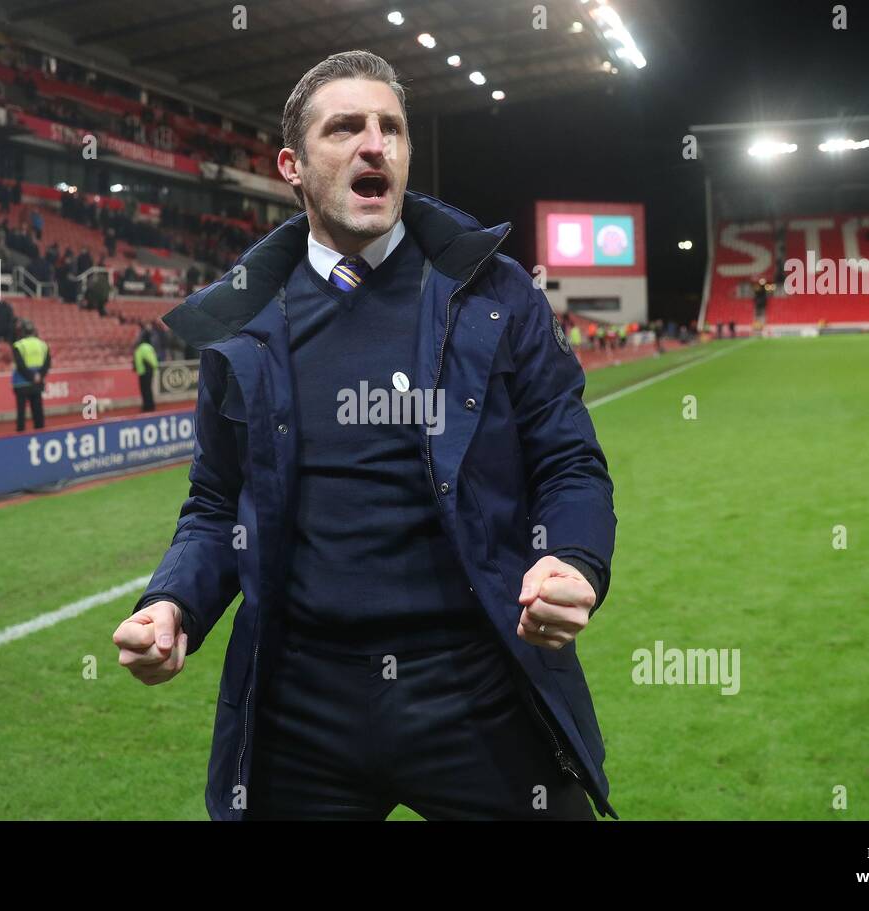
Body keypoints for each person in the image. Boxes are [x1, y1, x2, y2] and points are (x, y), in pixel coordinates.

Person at [113, 51, 617, 821]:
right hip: (300, 703)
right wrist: (173, 602)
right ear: (293, 164)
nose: (374, 144)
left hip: (476, 685)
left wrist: (573, 556)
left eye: (391, 129)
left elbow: (567, 455)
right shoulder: (239, 322)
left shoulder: (494, 292)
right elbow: (215, 503)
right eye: (345, 127)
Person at [11, 321, 50, 432]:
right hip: (37, 383)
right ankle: (40, 432)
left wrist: (30, 376)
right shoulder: (43, 345)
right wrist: (38, 376)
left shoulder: (18, 345)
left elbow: (20, 365)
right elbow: (47, 364)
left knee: (21, 412)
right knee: (38, 411)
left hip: (21, 383)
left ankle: (20, 433)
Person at [133, 328, 158, 412]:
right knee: (147, 389)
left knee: (145, 389)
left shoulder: (143, 347)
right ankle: (149, 405)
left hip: (145, 371)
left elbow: (149, 359)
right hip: (145, 371)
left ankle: (148, 406)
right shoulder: (147, 347)